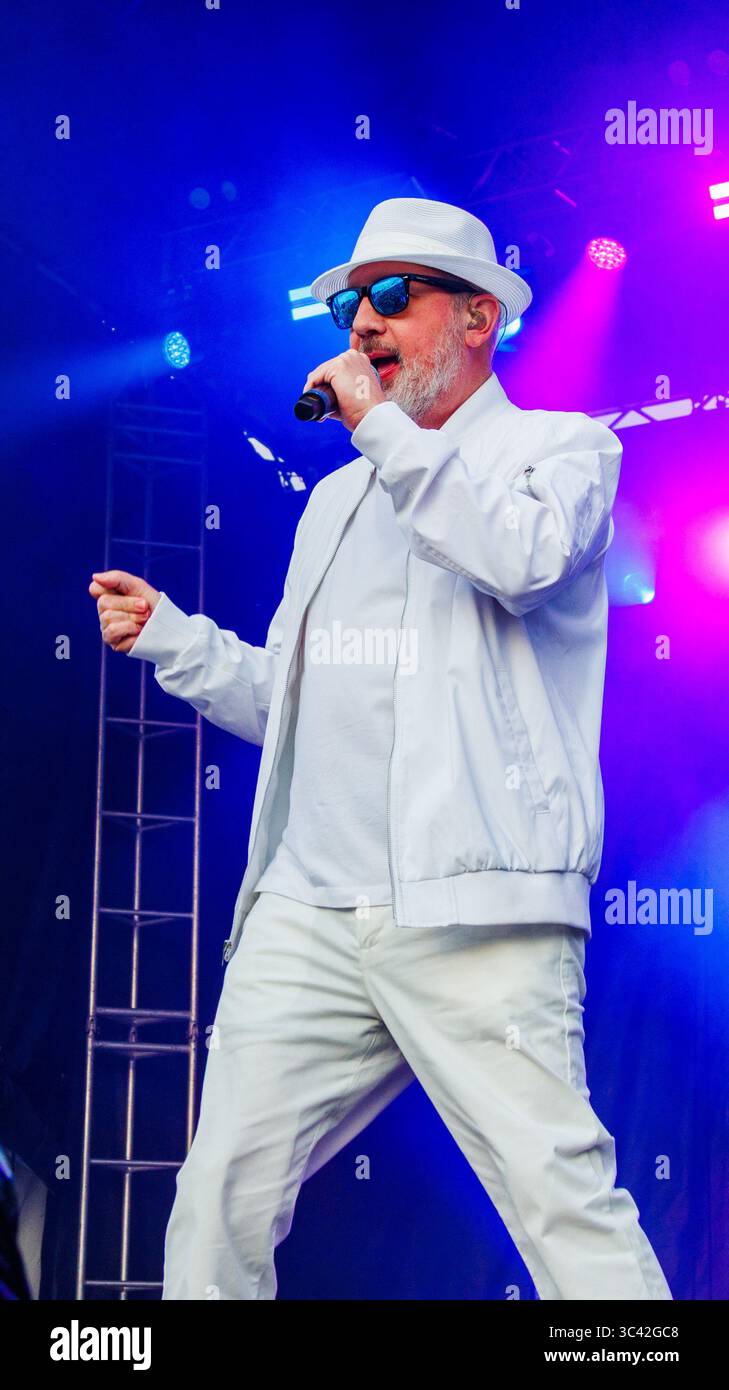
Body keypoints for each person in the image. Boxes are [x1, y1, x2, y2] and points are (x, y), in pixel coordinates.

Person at [89, 197, 672, 1301]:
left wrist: (381, 431)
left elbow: (516, 554)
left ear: (479, 319)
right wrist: (174, 638)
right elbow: (294, 704)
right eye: (355, 302)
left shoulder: (563, 451)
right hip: (309, 913)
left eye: (396, 296)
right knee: (217, 1199)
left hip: (475, 912)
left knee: (563, 1208)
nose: (363, 320)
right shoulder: (338, 501)